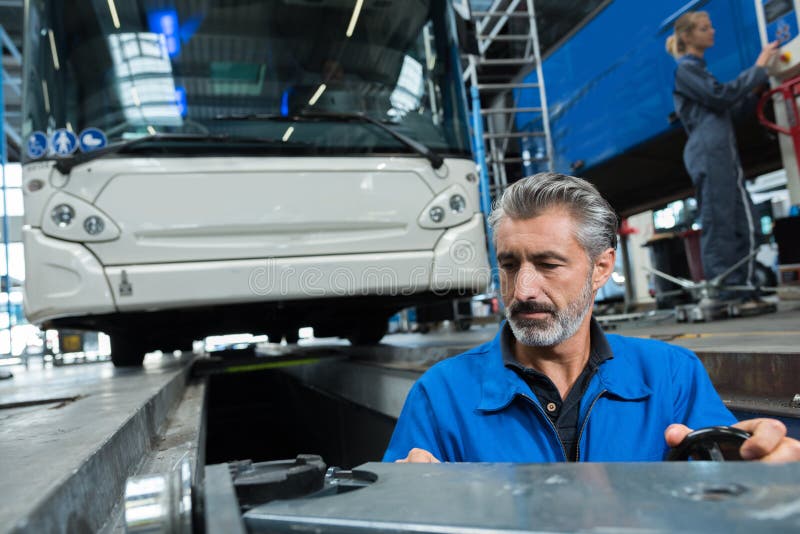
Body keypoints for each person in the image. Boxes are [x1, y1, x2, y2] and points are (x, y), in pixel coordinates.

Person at [383, 173, 800, 463]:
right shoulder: (441, 395)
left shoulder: (672, 376)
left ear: (601, 268)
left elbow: (728, 485)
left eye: (548, 264)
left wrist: (763, 474)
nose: (523, 289)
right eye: (509, 265)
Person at [667, 11, 778, 303]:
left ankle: (742, 288)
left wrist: (754, 94)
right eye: (705, 28)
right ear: (689, 37)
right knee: (719, 223)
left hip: (721, 154)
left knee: (745, 224)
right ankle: (724, 290)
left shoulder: (700, 71)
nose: (713, 31)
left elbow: (726, 109)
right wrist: (759, 68)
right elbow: (721, 97)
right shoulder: (686, 70)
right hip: (709, 153)